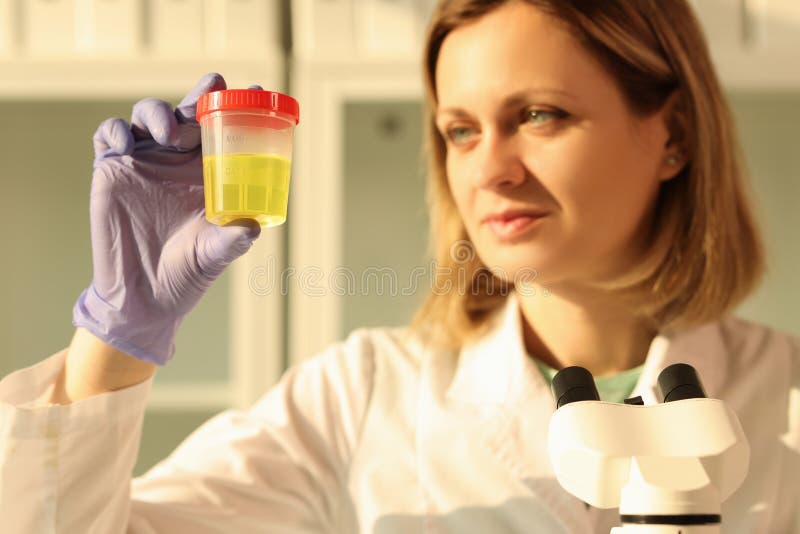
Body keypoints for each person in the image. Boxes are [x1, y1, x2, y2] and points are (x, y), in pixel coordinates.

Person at [1, 0, 798, 532]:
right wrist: (113, 346)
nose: (492, 170)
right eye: (461, 131)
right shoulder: (361, 396)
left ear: (675, 137)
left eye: (539, 116)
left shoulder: (784, 400)